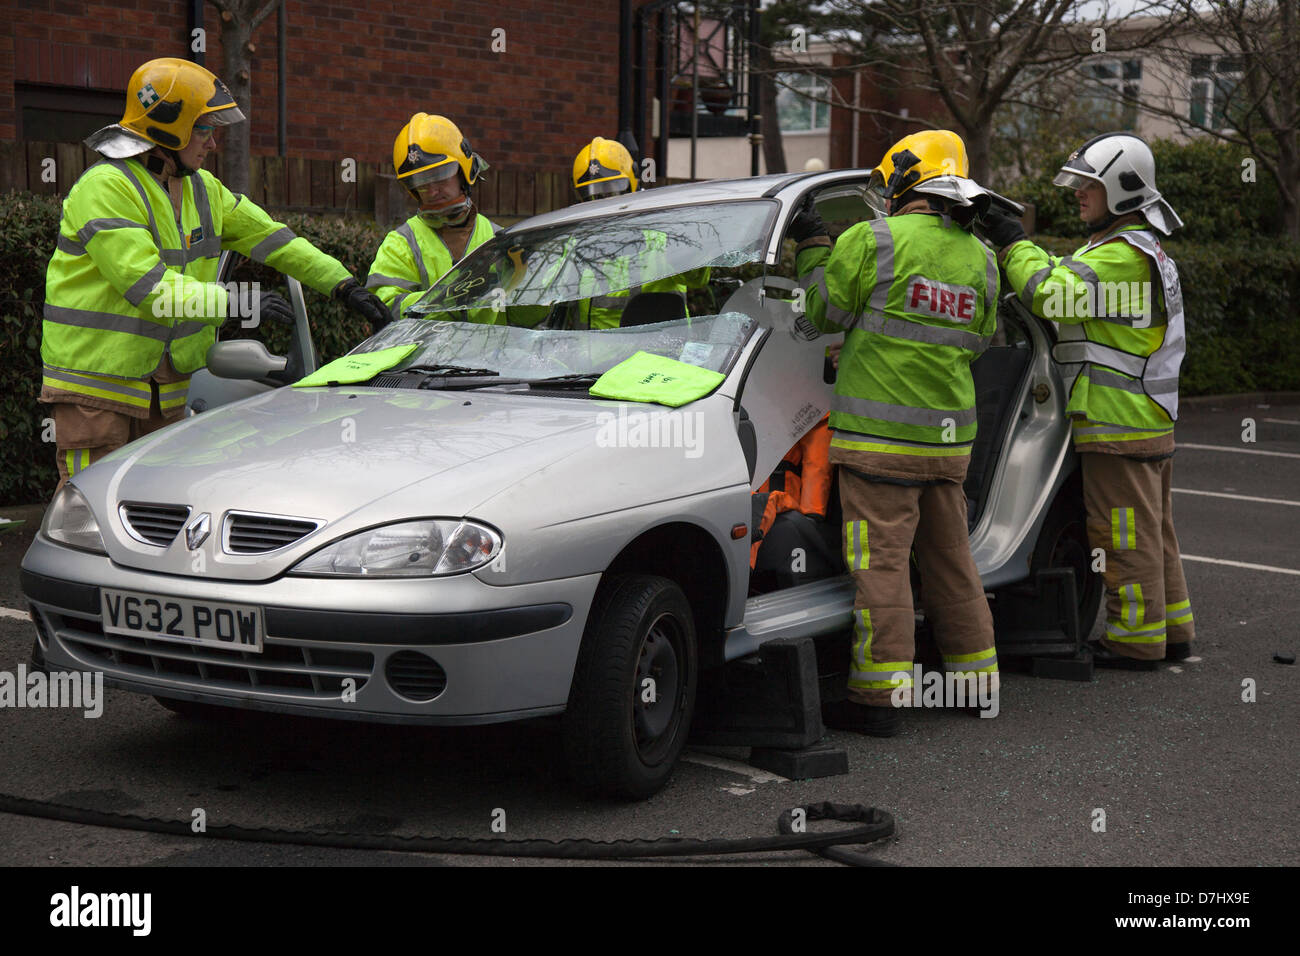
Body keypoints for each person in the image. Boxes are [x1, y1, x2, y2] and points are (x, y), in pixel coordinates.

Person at [42, 57, 388, 491]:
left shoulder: (204, 189)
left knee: (153, 509)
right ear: (168, 129)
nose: (213, 144)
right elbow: (149, 288)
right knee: (87, 511)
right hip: (97, 391)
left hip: (162, 391)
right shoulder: (106, 187)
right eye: (204, 129)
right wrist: (240, 304)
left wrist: (342, 285)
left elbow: (275, 240)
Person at [792, 130, 1001, 735]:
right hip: (948, 442)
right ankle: (974, 682)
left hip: (880, 443)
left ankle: (880, 699)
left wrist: (812, 247)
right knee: (951, 560)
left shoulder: (873, 239)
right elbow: (978, 340)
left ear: (906, 180)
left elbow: (820, 312)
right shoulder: (982, 257)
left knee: (880, 565)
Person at [978, 132, 1193, 669]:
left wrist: (1011, 242)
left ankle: (1135, 641)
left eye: (1088, 186)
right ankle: (1173, 630)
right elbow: (1067, 281)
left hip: (1118, 421)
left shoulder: (1123, 256)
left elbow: (1049, 290)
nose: (1078, 195)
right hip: (1142, 418)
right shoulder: (1136, 250)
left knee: (1121, 535)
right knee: (1152, 530)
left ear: (1121, 190)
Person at [366, 114, 501, 324]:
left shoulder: (499, 238)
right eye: (421, 181)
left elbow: (528, 319)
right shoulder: (400, 243)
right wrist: (448, 298)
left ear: (463, 170)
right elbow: (385, 309)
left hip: (491, 356)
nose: (432, 190)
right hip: (427, 357)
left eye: (440, 174)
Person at [568, 136, 709, 329]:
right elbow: (538, 302)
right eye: (592, 196)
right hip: (586, 358)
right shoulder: (575, 246)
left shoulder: (661, 238)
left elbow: (698, 278)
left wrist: (692, 235)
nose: (602, 203)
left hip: (658, 357)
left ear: (632, 187)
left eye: (611, 192)